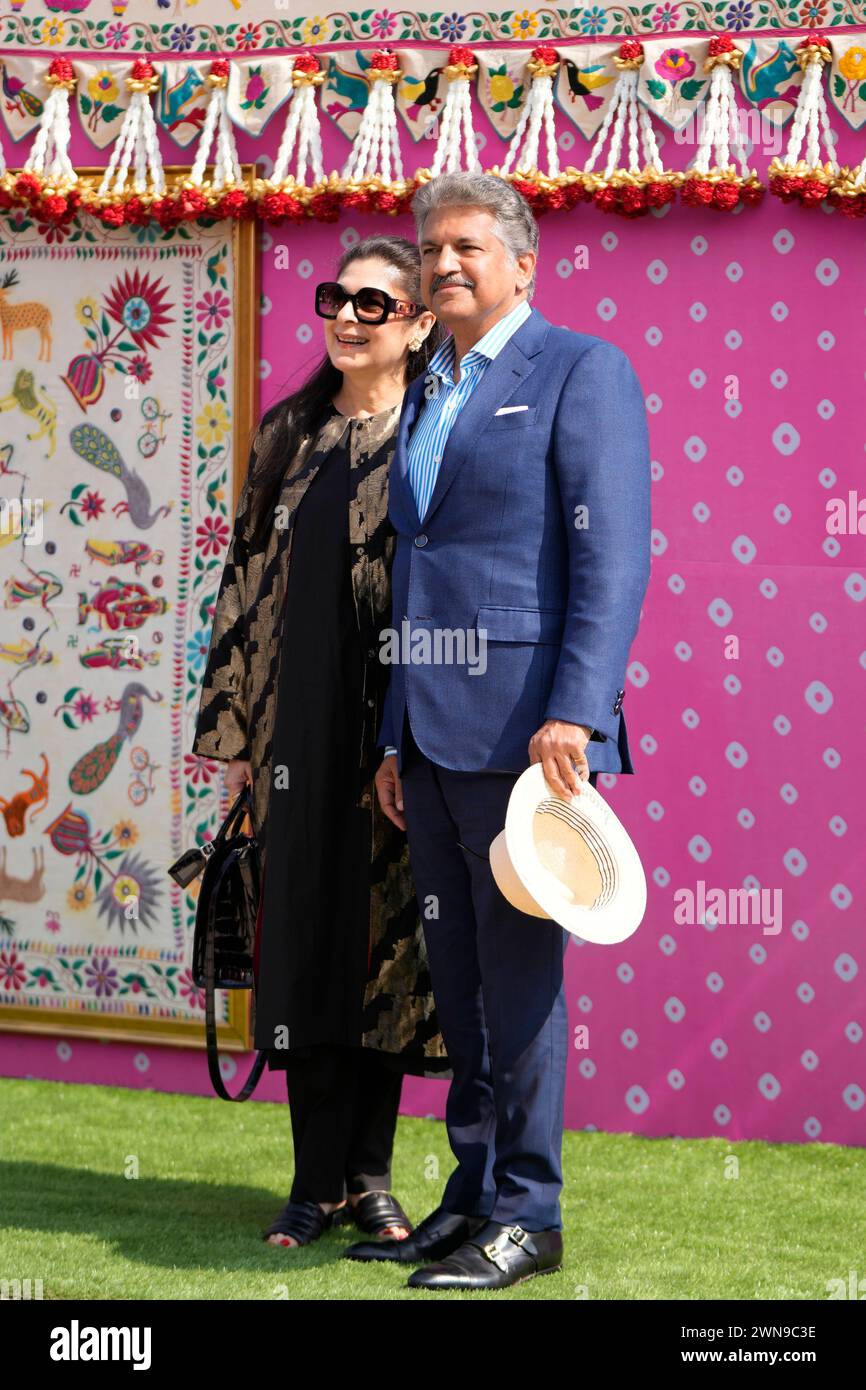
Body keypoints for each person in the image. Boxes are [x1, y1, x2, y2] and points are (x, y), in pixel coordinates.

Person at [347, 172, 651, 1289]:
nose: (443, 265)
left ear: (523, 261)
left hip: (529, 738)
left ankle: (531, 1211)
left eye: (467, 246)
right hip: (426, 736)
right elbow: (417, 573)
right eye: (430, 251)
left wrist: (575, 707)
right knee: (458, 981)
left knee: (518, 985)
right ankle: (470, 1194)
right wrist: (391, 733)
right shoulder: (427, 380)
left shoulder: (580, 370)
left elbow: (610, 556)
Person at [192, 235, 449, 1250]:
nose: (346, 316)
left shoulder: (435, 434)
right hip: (292, 729)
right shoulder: (287, 434)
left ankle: (372, 1179)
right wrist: (238, 746)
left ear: (418, 326)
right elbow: (240, 592)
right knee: (300, 945)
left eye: (374, 304)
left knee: (385, 954)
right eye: (336, 298)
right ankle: (311, 1183)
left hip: (395, 732)